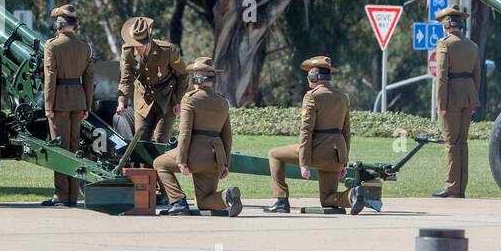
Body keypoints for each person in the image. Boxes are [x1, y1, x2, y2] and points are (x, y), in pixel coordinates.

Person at [264, 56, 366, 215]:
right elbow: (346, 131)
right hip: (336, 155)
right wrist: (343, 162)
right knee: (327, 199)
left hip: (316, 152)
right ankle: (352, 195)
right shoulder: (343, 97)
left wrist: (304, 163)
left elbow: (306, 131)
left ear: (314, 77)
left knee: (274, 155)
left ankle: (281, 200)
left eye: (309, 77)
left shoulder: (312, 96)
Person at [152, 57, 243, 217]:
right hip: (215, 159)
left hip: (194, 154)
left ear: (198, 78)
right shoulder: (223, 102)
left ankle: (178, 202)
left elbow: (185, 132)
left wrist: (181, 161)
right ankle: (227, 195)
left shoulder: (190, 99)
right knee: (204, 200)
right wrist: (225, 164)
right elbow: (227, 136)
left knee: (159, 163)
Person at [42, 3, 95, 207]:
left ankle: (62, 196)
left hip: (60, 102)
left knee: (60, 149)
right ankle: (73, 195)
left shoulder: (52, 45)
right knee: (74, 147)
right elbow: (89, 79)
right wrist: (87, 106)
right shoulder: (85, 47)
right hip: (78, 101)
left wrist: (48, 104)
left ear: (60, 24)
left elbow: (50, 77)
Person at [433, 5, 481, 198]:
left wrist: (441, 105)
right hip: (468, 96)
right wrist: (473, 99)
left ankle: (451, 186)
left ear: (446, 24)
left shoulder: (445, 44)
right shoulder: (472, 45)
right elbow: (477, 76)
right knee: (462, 142)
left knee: (451, 142)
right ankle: (461, 188)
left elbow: (442, 77)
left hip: (451, 98)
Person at [117, 16, 188, 143]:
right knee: (141, 141)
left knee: (161, 140)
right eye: (135, 44)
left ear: (149, 38)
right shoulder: (127, 52)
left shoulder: (167, 50)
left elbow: (183, 75)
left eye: (141, 44)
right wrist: (122, 102)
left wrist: (178, 100)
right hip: (142, 99)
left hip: (166, 99)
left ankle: (161, 163)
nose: (138, 48)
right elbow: (126, 80)